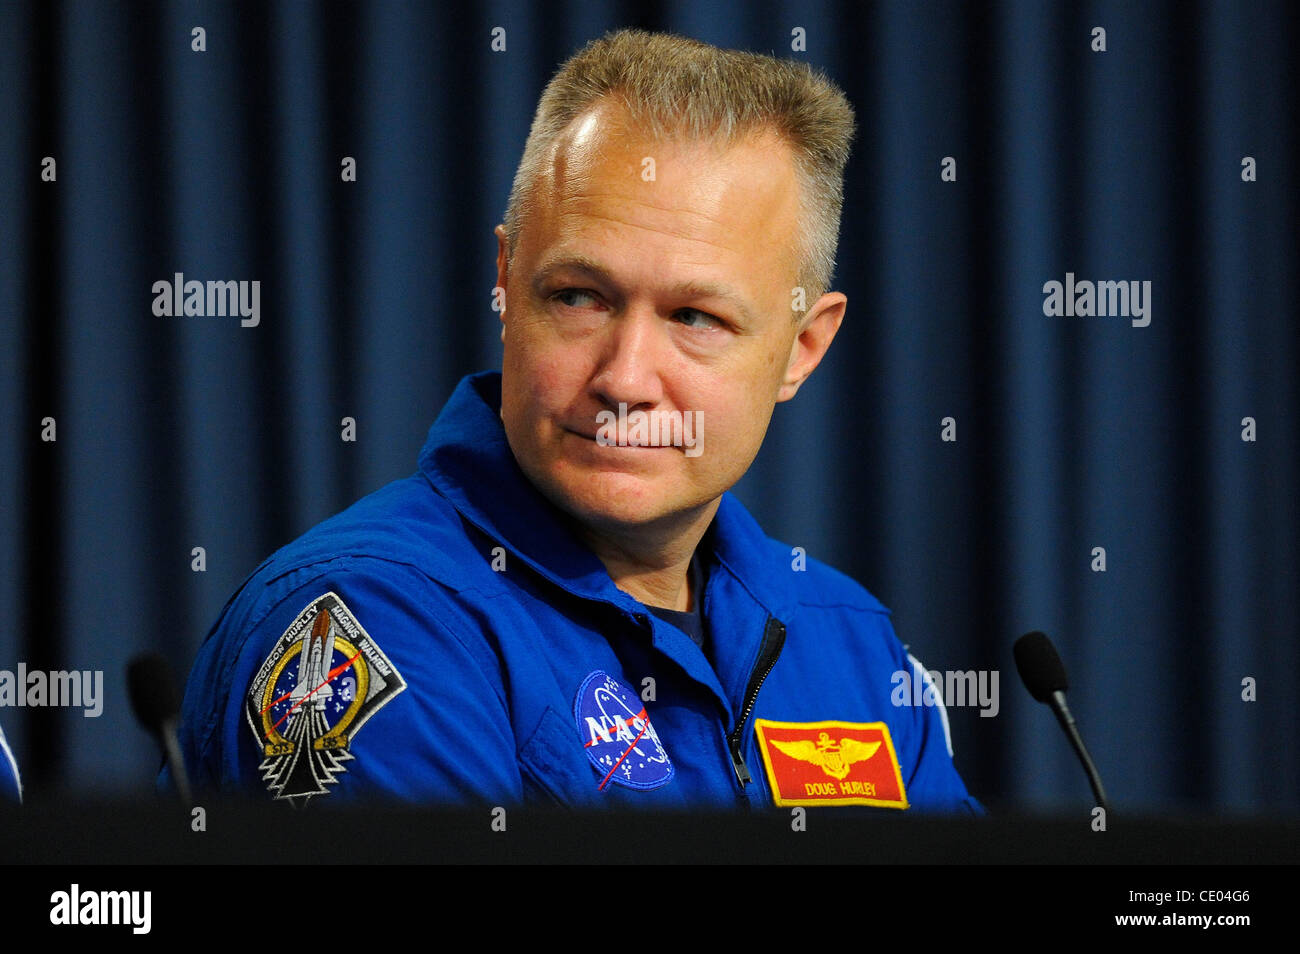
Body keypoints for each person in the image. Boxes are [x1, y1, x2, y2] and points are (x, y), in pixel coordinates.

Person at [172, 29, 982, 813]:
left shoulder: (844, 640)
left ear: (803, 347)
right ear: (505, 282)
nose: (625, 378)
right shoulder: (377, 619)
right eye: (579, 298)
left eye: (695, 317)